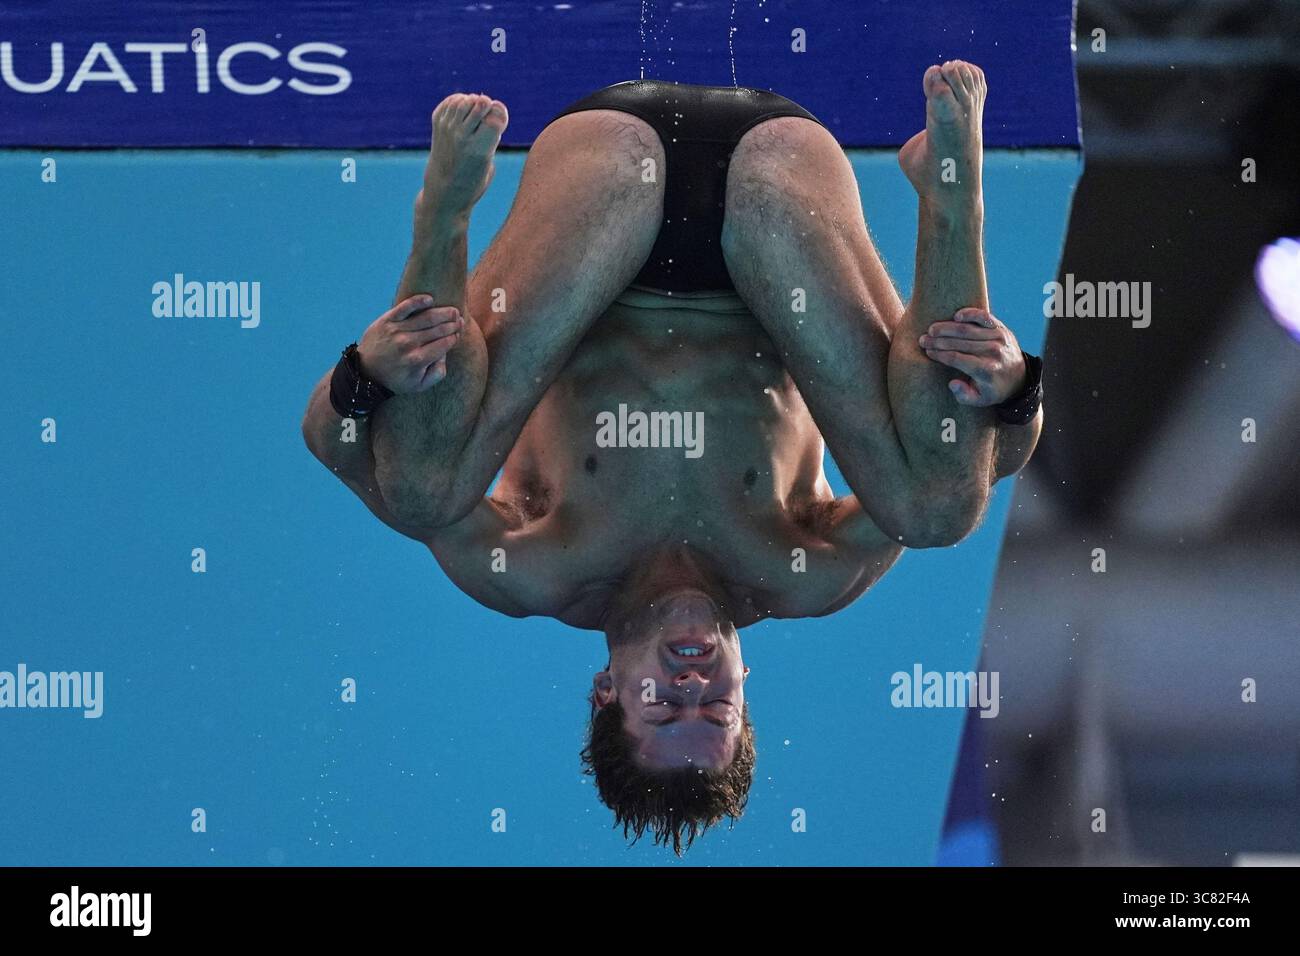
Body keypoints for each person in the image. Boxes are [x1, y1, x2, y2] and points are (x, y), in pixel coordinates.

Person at [301, 63, 1044, 852]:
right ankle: (952, 192)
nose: (693, 685)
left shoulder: (533, 567)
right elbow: (982, 468)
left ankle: (441, 218)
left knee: (419, 493)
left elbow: (335, 446)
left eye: (663, 707)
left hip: (605, 189)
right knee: (934, 511)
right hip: (777, 193)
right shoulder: (804, 570)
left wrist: (363, 375)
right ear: (744, 693)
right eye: (714, 710)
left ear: (606, 691)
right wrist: (1017, 394)